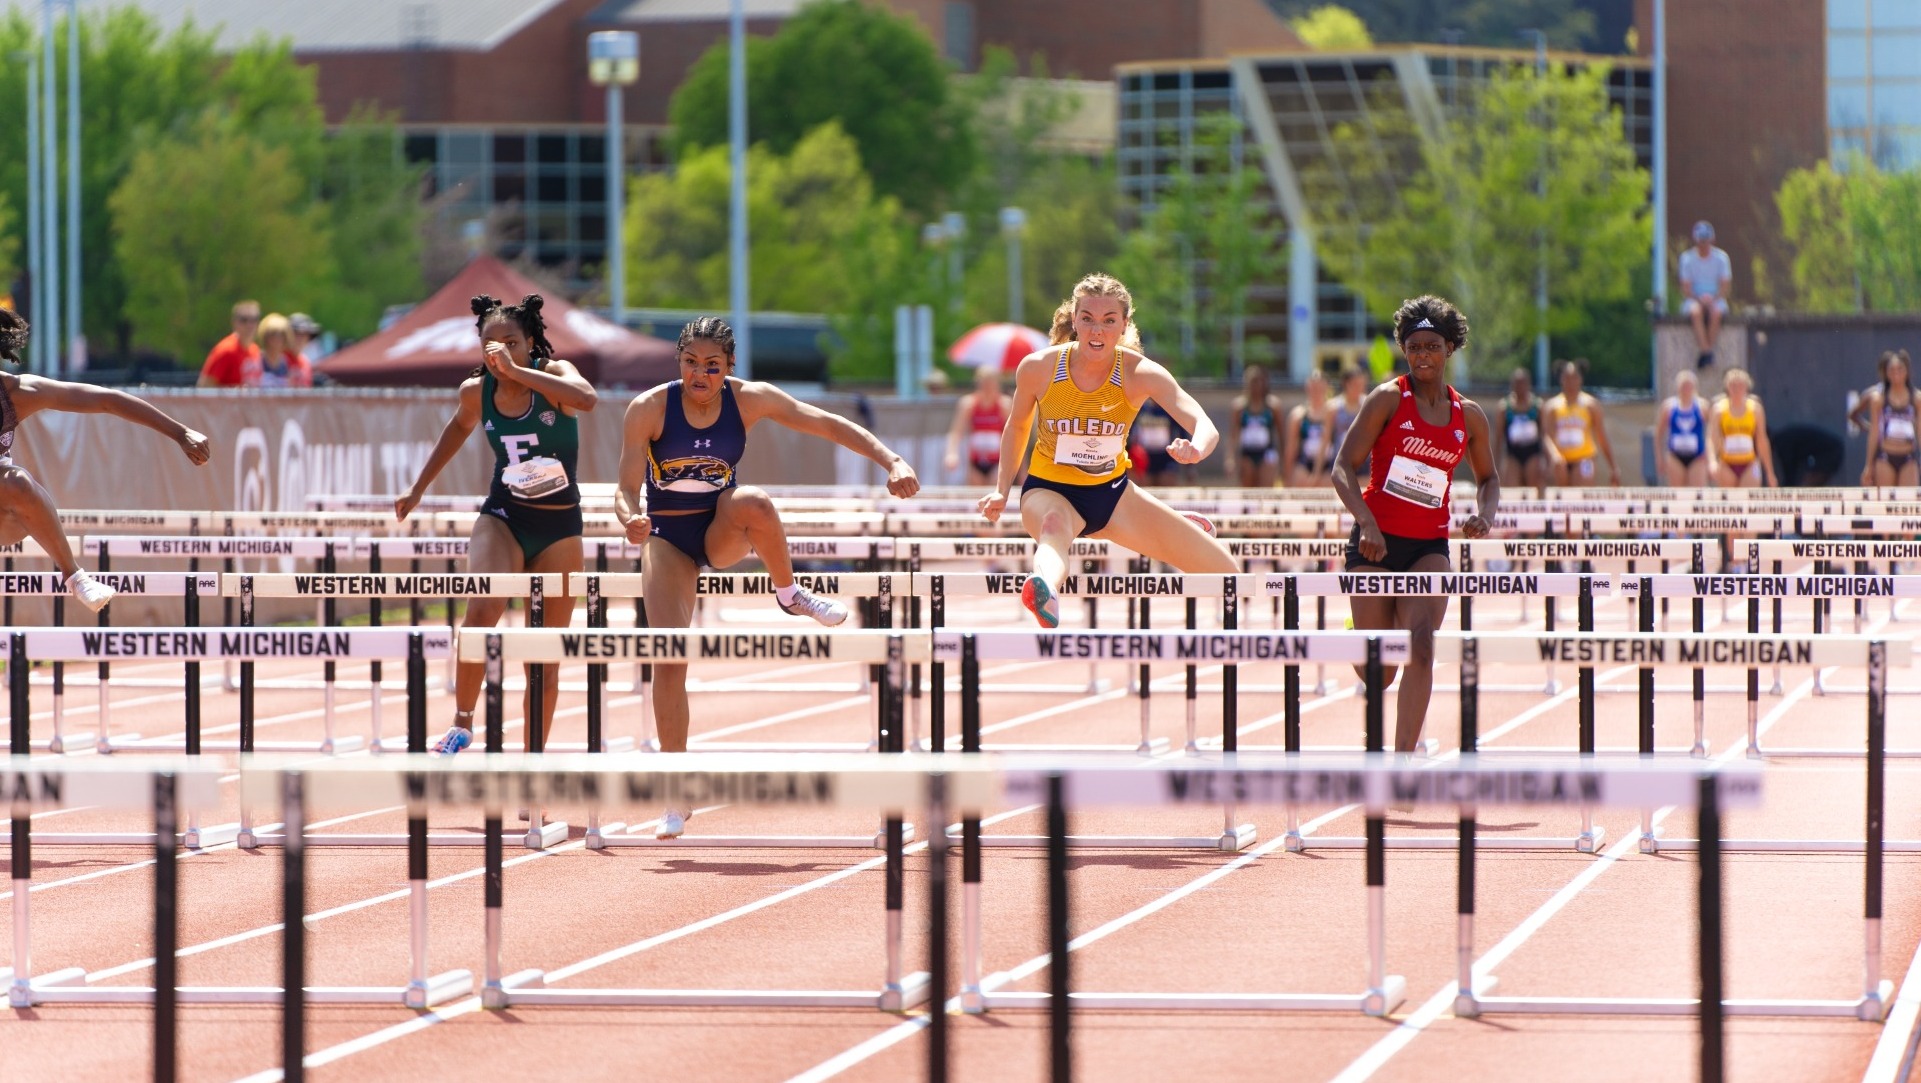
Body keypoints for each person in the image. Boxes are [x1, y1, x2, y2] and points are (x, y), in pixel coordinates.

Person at [615, 316, 919, 838]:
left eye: (712, 366)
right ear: (679, 363)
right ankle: (675, 787)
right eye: (691, 363)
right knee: (668, 657)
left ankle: (789, 592)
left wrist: (890, 460)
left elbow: (826, 423)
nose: (700, 375)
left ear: (730, 367)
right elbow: (622, 487)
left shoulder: (750, 399)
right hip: (667, 537)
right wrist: (630, 520)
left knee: (754, 499)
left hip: (720, 529)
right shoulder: (648, 408)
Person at [396, 294, 597, 756]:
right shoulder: (476, 391)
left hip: (559, 526)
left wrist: (519, 372)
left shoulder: (555, 377)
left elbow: (587, 399)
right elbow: (456, 429)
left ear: (531, 344)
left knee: (542, 660)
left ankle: (533, 768)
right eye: (491, 344)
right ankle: (463, 722)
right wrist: (418, 488)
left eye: (511, 342)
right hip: (504, 517)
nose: (501, 351)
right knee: (483, 608)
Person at [980, 272, 1235, 628]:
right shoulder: (1039, 368)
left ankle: (1175, 525)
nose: (1096, 331)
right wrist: (1001, 489)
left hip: (1113, 497)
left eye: (1108, 321)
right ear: (1074, 320)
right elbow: (1018, 426)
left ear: (1124, 324)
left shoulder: (1139, 373)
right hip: (1049, 490)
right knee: (1054, 527)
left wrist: (1198, 448)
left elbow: (1202, 421)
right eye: (1087, 320)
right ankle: (1044, 589)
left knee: (1229, 573)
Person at [1332, 295, 1497, 754]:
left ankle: (1400, 764)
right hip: (1375, 545)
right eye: (1414, 347)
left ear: (1449, 350)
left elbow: (1489, 478)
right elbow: (1343, 466)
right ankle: (1357, 632)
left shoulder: (1469, 416)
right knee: (1379, 671)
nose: (1422, 355)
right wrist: (1366, 524)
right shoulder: (1387, 399)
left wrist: (1485, 515)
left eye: (1431, 346)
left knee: (1421, 646)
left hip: (1429, 544)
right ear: (1405, 350)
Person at [0, 308, 212, 612]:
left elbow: (105, 400)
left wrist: (180, 432)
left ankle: (75, 577)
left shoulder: (15, 393)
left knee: (17, 482)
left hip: (4, 514)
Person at [1540, 359, 1620, 487]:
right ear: (1561, 380)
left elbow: (1601, 436)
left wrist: (1613, 466)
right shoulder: (1552, 407)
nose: (1570, 383)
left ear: (1580, 379)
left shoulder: (1590, 405)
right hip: (1561, 462)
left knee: (1581, 492)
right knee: (1562, 494)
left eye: (1574, 378)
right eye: (1567, 378)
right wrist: (1554, 455)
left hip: (1584, 458)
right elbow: (1546, 436)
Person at [1708, 367, 1777, 488]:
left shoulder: (1755, 409)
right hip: (1727, 463)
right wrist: (1712, 461)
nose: (1736, 389)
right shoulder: (1719, 409)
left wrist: (1770, 472)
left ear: (1747, 387)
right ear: (1727, 387)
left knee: (1748, 499)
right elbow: (1711, 438)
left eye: (1740, 385)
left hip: (1750, 463)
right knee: (1729, 502)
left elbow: (1762, 439)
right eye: (1733, 385)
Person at [943, 365, 1009, 487]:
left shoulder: (1004, 404)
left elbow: (1015, 435)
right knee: (976, 492)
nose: (987, 388)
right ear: (978, 383)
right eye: (984, 384)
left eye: (990, 384)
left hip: (997, 459)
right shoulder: (969, 403)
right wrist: (951, 453)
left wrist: (1020, 468)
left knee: (994, 490)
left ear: (997, 384)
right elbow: (956, 431)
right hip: (976, 459)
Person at [1680, 220, 1732, 369]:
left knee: (1716, 312)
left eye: (1706, 241)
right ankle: (1707, 351)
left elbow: (1725, 286)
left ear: (1712, 240)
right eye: (1701, 241)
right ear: (1696, 241)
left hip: (1716, 298)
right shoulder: (1687, 259)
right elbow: (1686, 288)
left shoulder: (1721, 258)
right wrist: (1700, 299)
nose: (1704, 245)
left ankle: (1705, 353)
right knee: (1696, 312)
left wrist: (1713, 299)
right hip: (1694, 298)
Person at [1863, 349, 1918, 486]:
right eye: (1891, 369)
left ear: (1907, 371)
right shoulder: (1879, 399)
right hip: (1885, 456)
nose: (1896, 372)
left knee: (1908, 504)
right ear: (1886, 373)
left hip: (1908, 457)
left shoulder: (1916, 399)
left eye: (1900, 368)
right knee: (1885, 502)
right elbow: (1874, 432)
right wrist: (1868, 465)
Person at [1227, 364, 1283, 488]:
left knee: (1265, 488)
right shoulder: (1239, 407)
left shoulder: (1272, 407)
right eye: (1252, 382)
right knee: (1248, 489)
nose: (1256, 386)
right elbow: (1233, 434)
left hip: (1267, 453)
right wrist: (1230, 458)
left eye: (1259, 382)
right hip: (1247, 453)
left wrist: (1283, 463)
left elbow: (1281, 435)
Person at [1282, 369, 1336, 488]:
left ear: (1326, 387)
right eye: (1313, 387)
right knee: (1299, 478)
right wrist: (1287, 476)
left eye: (1319, 387)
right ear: (1307, 388)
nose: (1316, 391)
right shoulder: (1298, 415)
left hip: (1328, 465)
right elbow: (1291, 447)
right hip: (1305, 463)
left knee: (1328, 483)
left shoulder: (1334, 412)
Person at [1658, 369, 1711, 487]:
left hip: (1697, 456)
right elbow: (1658, 434)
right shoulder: (1669, 407)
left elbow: (1713, 431)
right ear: (1678, 387)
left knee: (1698, 493)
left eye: (1689, 386)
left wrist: (1710, 457)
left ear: (1694, 387)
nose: (1686, 389)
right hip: (1675, 456)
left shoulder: (1702, 406)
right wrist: (1659, 457)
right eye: (1683, 385)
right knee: (1677, 493)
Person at [1497, 367, 1546, 490]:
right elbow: (1498, 439)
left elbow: (1544, 435)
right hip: (1513, 454)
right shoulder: (1504, 407)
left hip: (1532, 453)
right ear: (1512, 385)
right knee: (1511, 486)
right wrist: (1495, 465)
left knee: (1535, 481)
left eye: (1523, 383)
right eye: (1517, 383)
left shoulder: (1537, 406)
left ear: (1528, 384)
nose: (1520, 387)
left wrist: (1545, 460)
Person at [1128, 397, 1193, 487]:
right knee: (1146, 490)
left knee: (1166, 484)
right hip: (1145, 457)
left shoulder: (1170, 409)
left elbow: (1182, 432)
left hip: (1166, 455)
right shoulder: (1140, 408)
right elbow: (1128, 431)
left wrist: (1189, 466)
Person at [198, 300, 262, 388]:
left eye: (254, 320)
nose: (249, 325)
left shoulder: (255, 350)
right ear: (234, 322)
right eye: (244, 320)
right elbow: (204, 386)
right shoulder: (225, 350)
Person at [254, 314, 314, 389]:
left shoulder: (289, 362)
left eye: (281, 335)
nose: (276, 340)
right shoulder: (256, 360)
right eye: (272, 335)